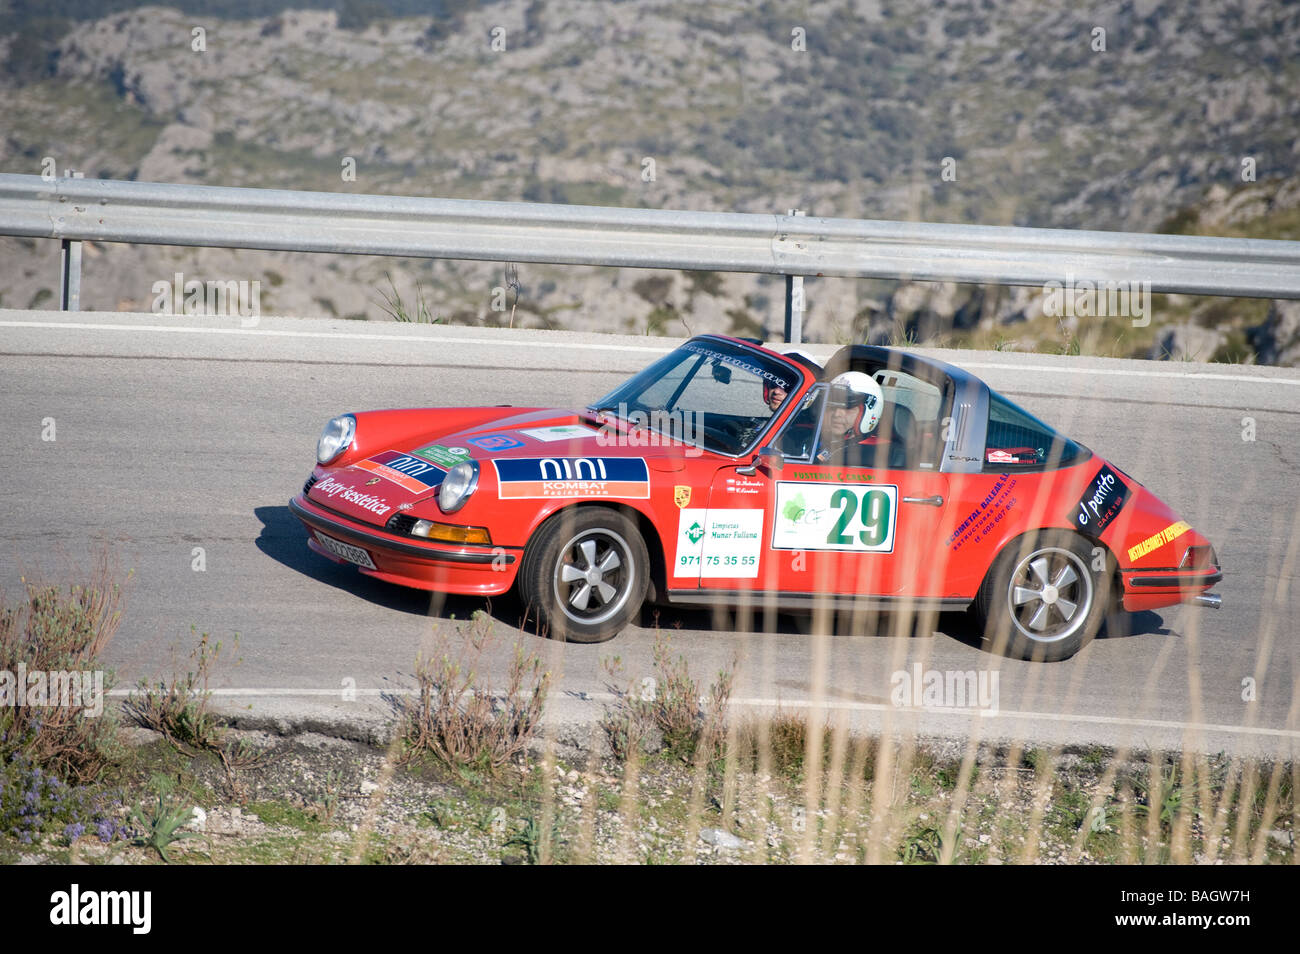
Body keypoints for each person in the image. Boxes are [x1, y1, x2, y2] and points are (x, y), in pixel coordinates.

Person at [816, 371, 886, 466]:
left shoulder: (869, 456)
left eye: (847, 408)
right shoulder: (815, 440)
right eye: (832, 406)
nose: (837, 414)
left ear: (868, 411)